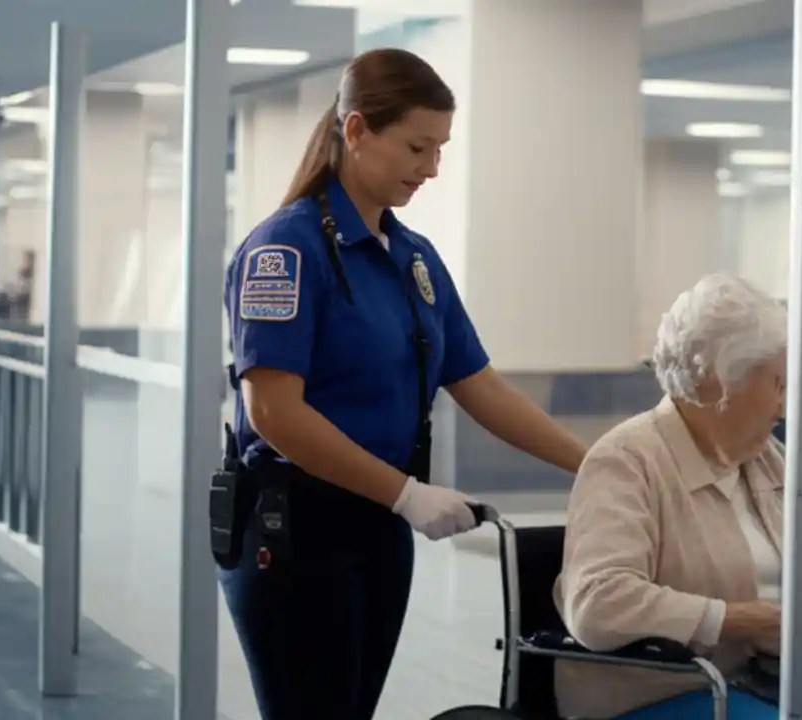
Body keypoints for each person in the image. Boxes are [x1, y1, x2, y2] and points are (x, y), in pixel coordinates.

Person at [219, 48, 588, 720]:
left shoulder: (412, 257)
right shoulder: (287, 250)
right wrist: (406, 493)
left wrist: (594, 465)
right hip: (297, 529)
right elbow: (272, 410)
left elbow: (481, 385)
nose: (433, 168)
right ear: (356, 131)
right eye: (419, 146)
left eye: (442, 148)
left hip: (379, 525)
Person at [553, 274, 802, 720]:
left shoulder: (764, 458)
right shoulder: (627, 460)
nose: (784, 405)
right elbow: (598, 603)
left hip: (766, 685)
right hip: (659, 693)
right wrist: (740, 619)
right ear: (724, 381)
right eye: (778, 384)